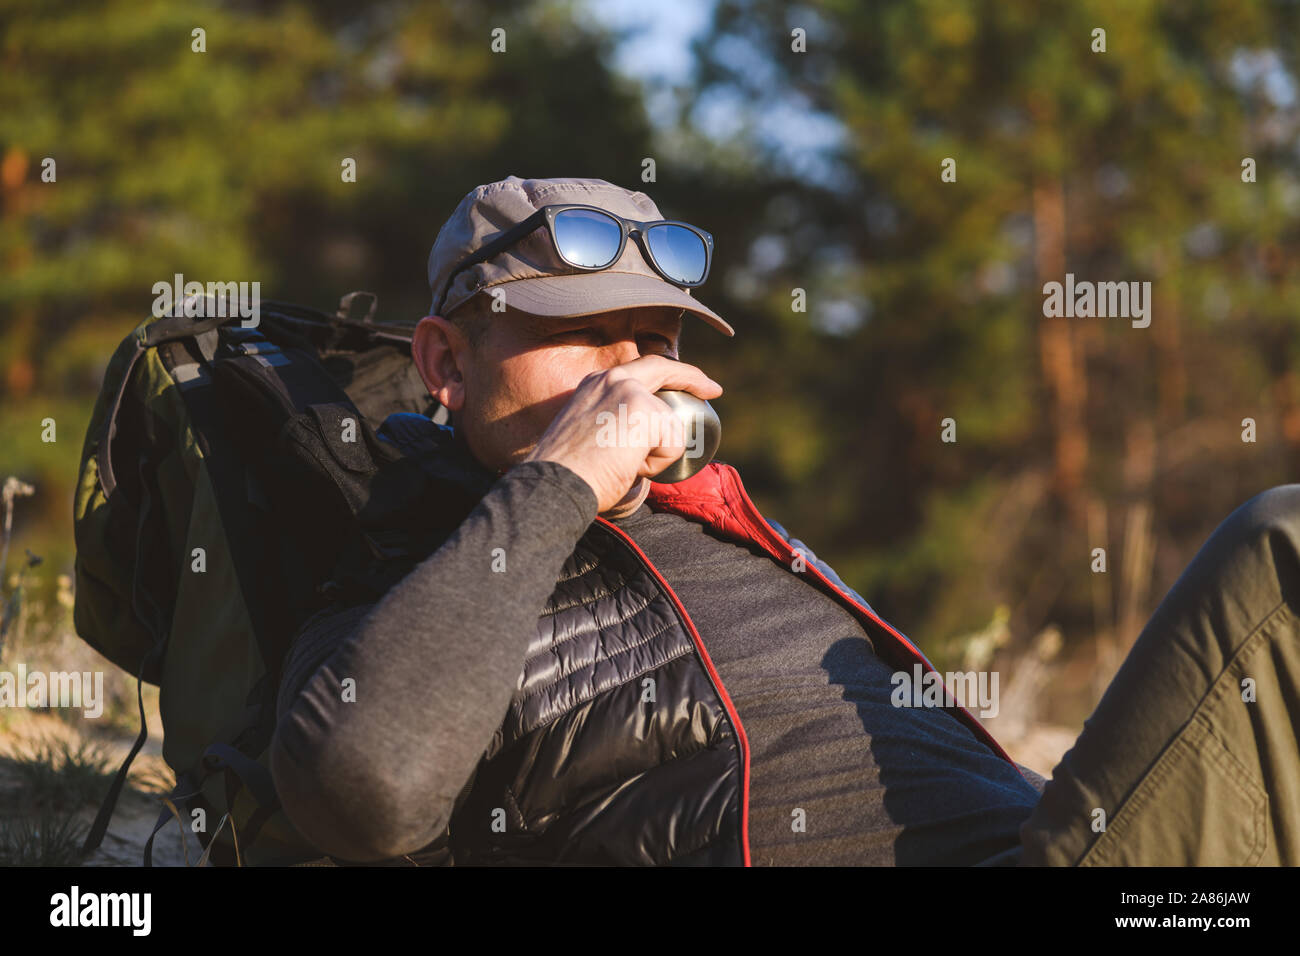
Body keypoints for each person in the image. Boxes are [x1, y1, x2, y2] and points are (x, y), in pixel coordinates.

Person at [268, 175, 1300, 866]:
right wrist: (561, 475)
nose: (635, 373)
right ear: (446, 362)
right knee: (1281, 546)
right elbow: (363, 785)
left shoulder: (713, 524)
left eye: (651, 338)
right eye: (584, 337)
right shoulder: (418, 571)